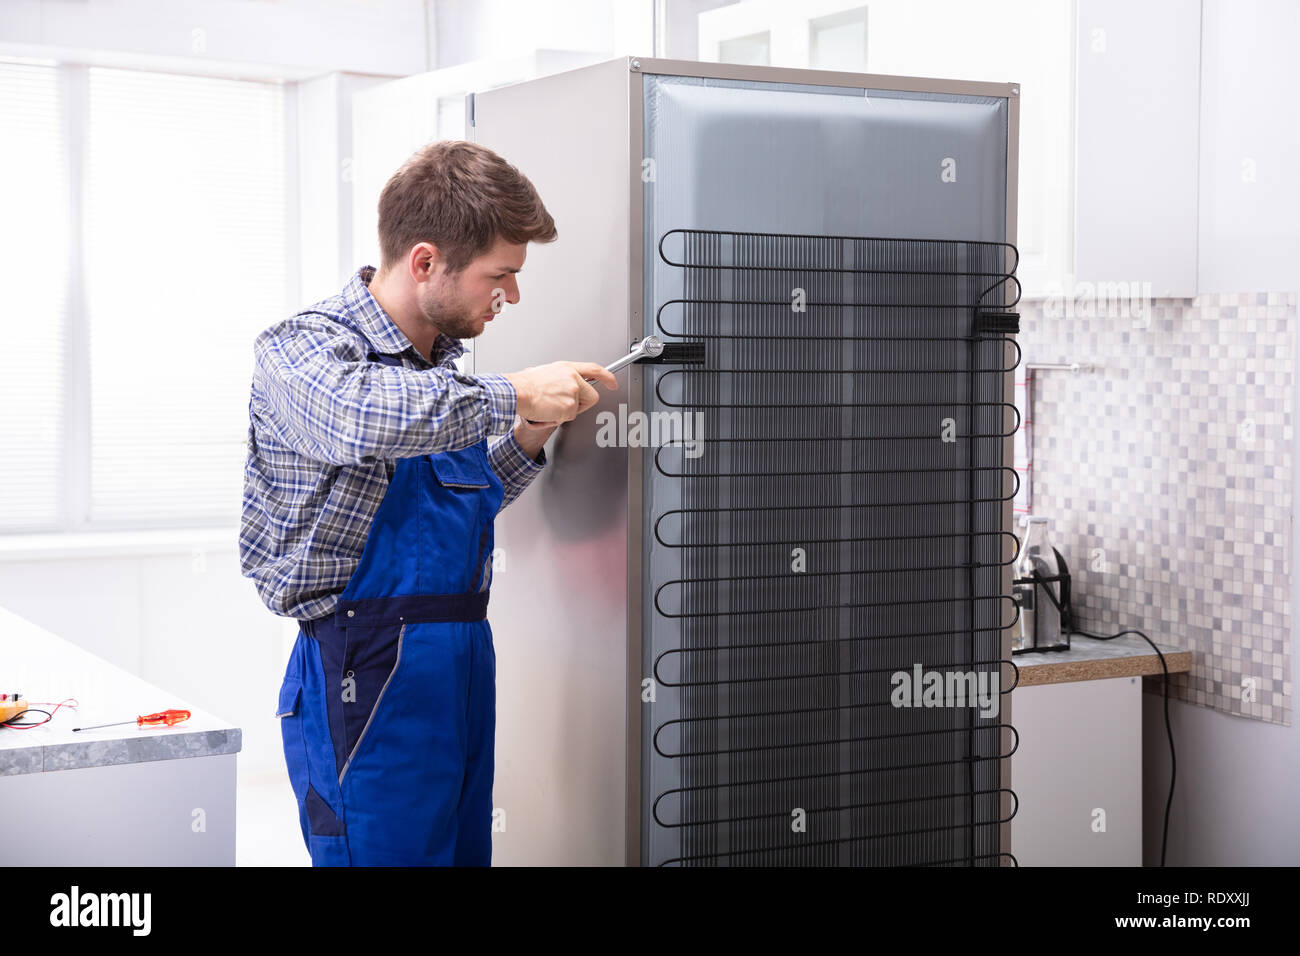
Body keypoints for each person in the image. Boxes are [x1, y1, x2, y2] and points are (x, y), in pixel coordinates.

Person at [238, 140, 616, 865]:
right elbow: (356, 420)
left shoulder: (440, 381)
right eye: (498, 275)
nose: (510, 296)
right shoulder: (302, 352)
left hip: (462, 661)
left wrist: (531, 433)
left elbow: (451, 509)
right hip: (363, 668)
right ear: (424, 262)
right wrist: (513, 392)